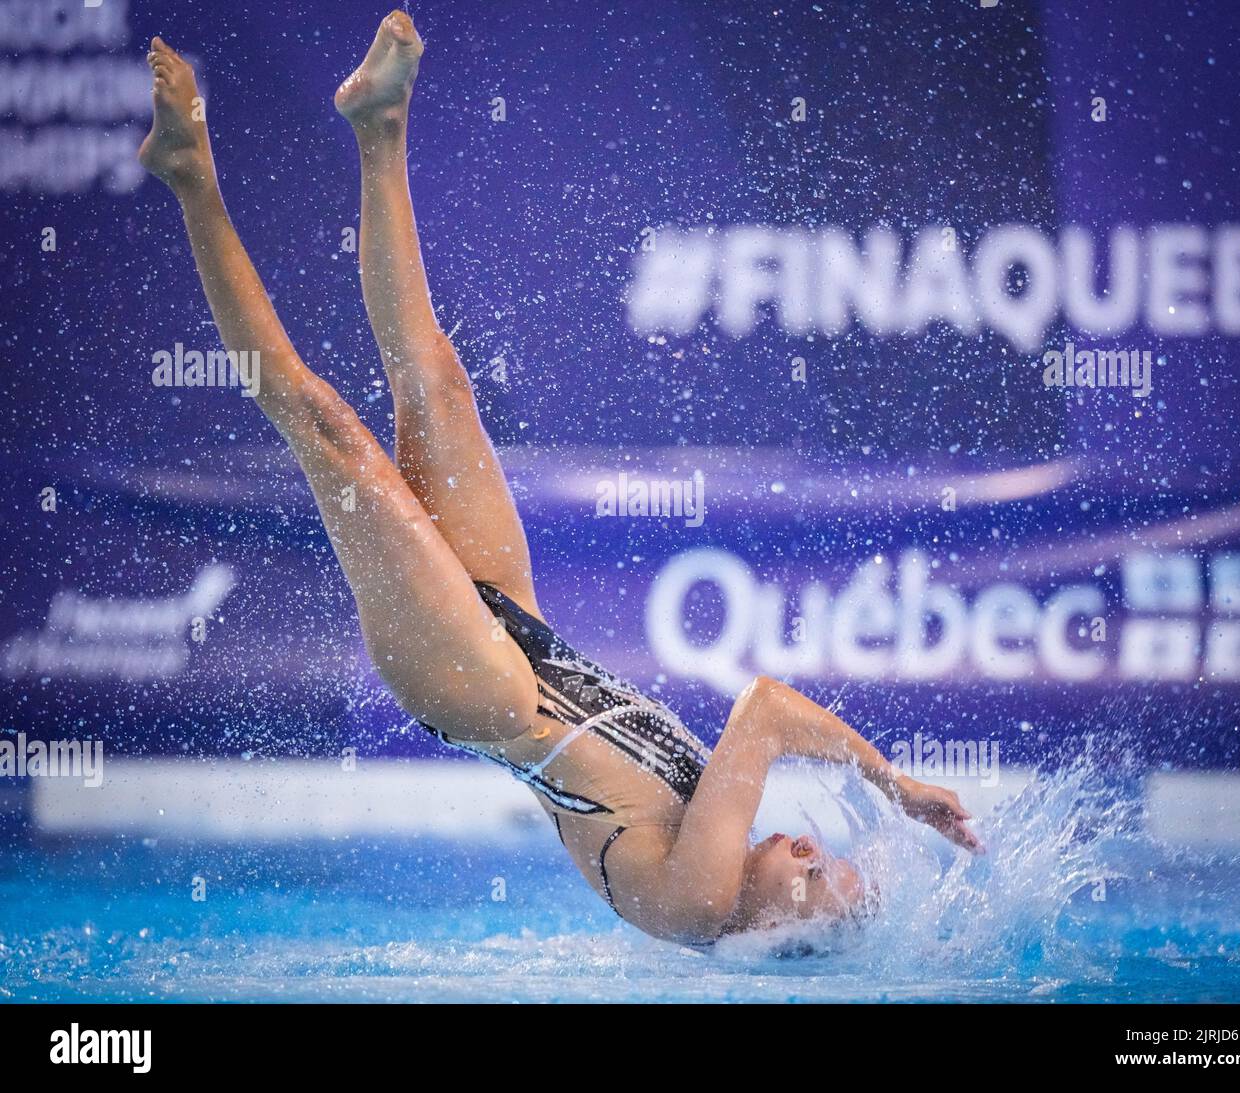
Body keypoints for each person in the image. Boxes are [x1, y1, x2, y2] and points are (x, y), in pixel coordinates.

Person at [138, 10, 981, 945]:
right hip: (519, 630)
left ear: (786, 931)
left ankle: (190, 176)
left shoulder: (705, 899)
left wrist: (889, 783)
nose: (808, 850)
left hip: (476, 685)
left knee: (324, 425)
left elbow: (767, 707)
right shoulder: (718, 860)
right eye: (829, 857)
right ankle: (380, 128)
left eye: (816, 880)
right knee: (436, 381)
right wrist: (888, 786)